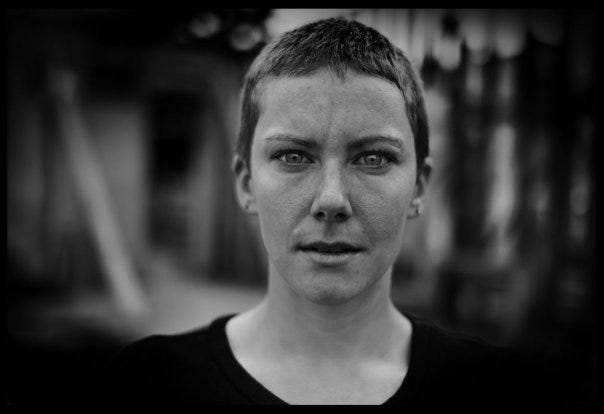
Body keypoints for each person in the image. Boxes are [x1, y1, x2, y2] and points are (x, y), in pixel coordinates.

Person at [107, 17, 558, 406]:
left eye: (373, 158)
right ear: (246, 183)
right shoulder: (148, 382)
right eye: (293, 156)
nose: (331, 200)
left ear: (418, 186)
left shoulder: (501, 390)